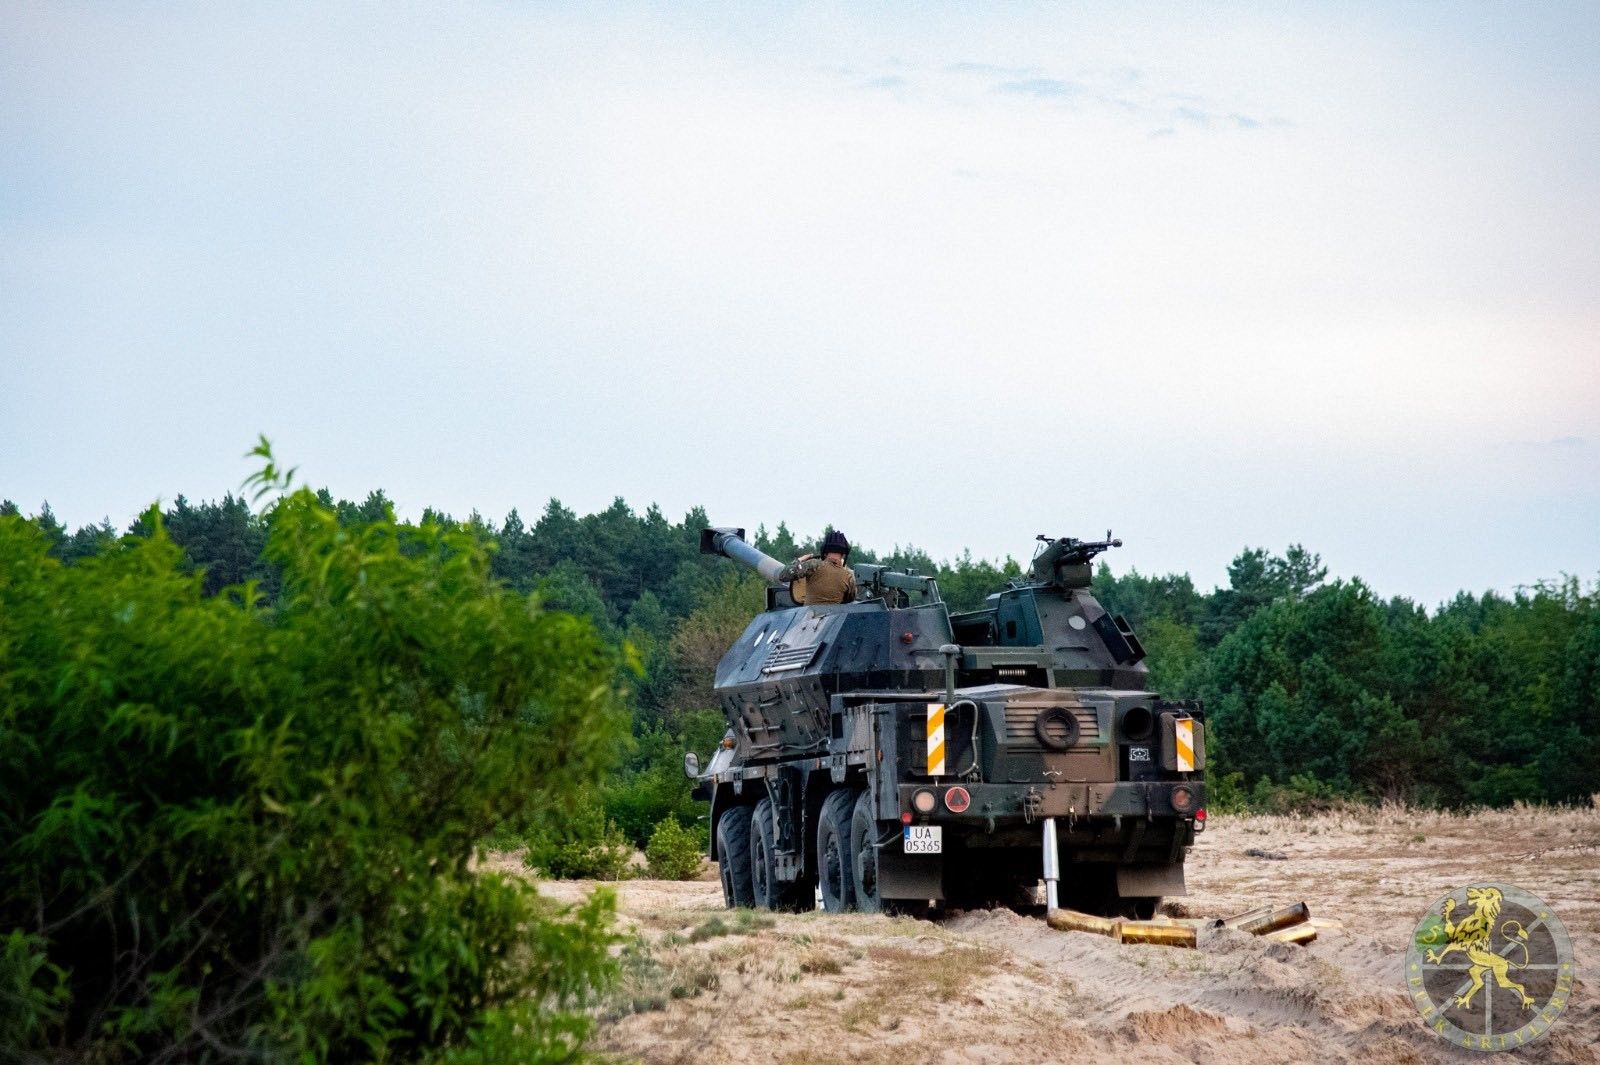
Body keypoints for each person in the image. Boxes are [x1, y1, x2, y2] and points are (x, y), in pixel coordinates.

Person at [779, 530, 857, 605]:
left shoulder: (814, 564)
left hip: (811, 614)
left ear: (824, 551)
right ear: (843, 555)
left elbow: (783, 575)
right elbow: (850, 600)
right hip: (835, 614)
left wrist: (799, 560)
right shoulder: (848, 576)